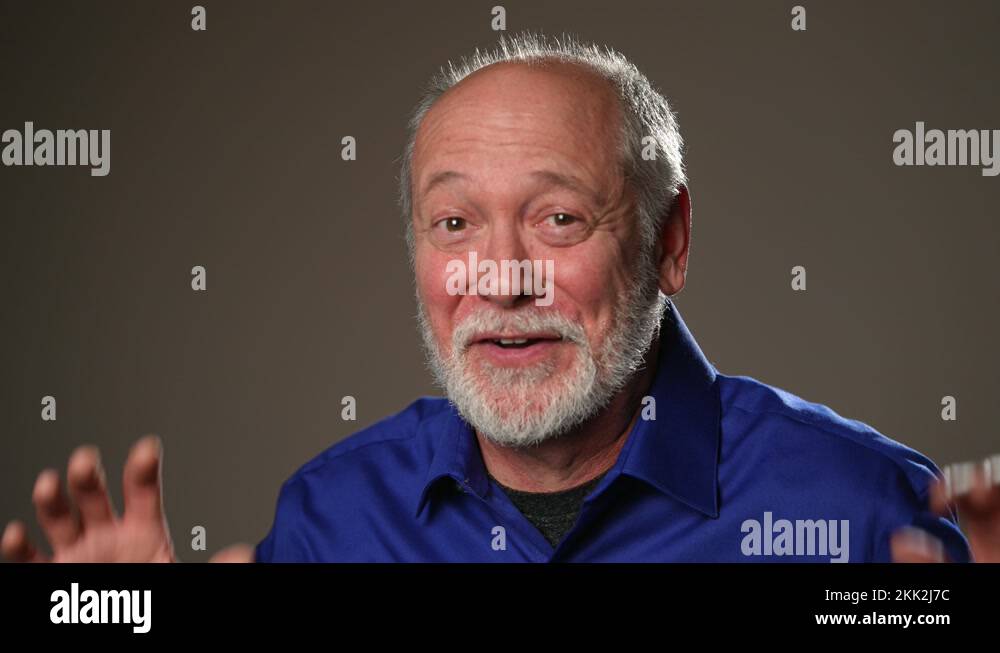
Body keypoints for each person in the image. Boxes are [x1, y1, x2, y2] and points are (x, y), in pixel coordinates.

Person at [3, 32, 998, 563]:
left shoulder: (866, 514)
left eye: (557, 218)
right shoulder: (329, 516)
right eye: (454, 224)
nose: (501, 273)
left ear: (670, 241)